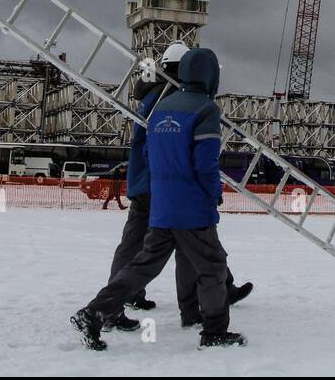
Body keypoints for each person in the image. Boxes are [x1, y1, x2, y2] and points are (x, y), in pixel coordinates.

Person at [73, 47, 246, 350]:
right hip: (192, 205)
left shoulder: (161, 108)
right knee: (212, 265)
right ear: (209, 75)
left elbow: (149, 152)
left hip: (162, 204)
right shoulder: (205, 110)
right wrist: (213, 194)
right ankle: (214, 330)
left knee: (143, 264)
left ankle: (95, 312)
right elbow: (206, 164)